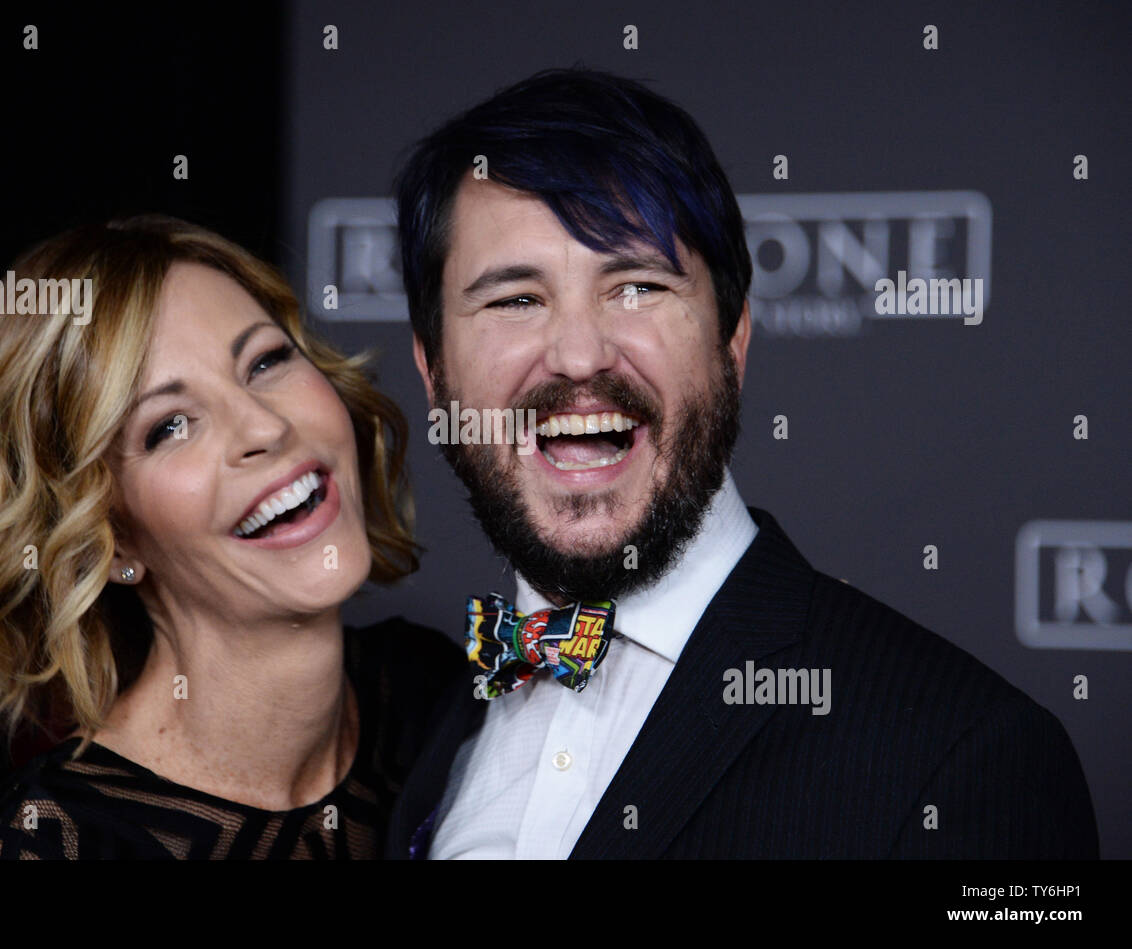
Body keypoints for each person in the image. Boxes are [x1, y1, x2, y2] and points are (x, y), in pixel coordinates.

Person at [386, 68, 1099, 859]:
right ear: (431, 369)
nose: (579, 355)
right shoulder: (409, 742)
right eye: (515, 299)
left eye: (636, 286)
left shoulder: (965, 754)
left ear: (733, 341)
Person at [0, 214, 462, 859]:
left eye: (265, 361)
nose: (263, 426)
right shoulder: (50, 846)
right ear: (108, 538)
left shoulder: (429, 695)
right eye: (169, 425)